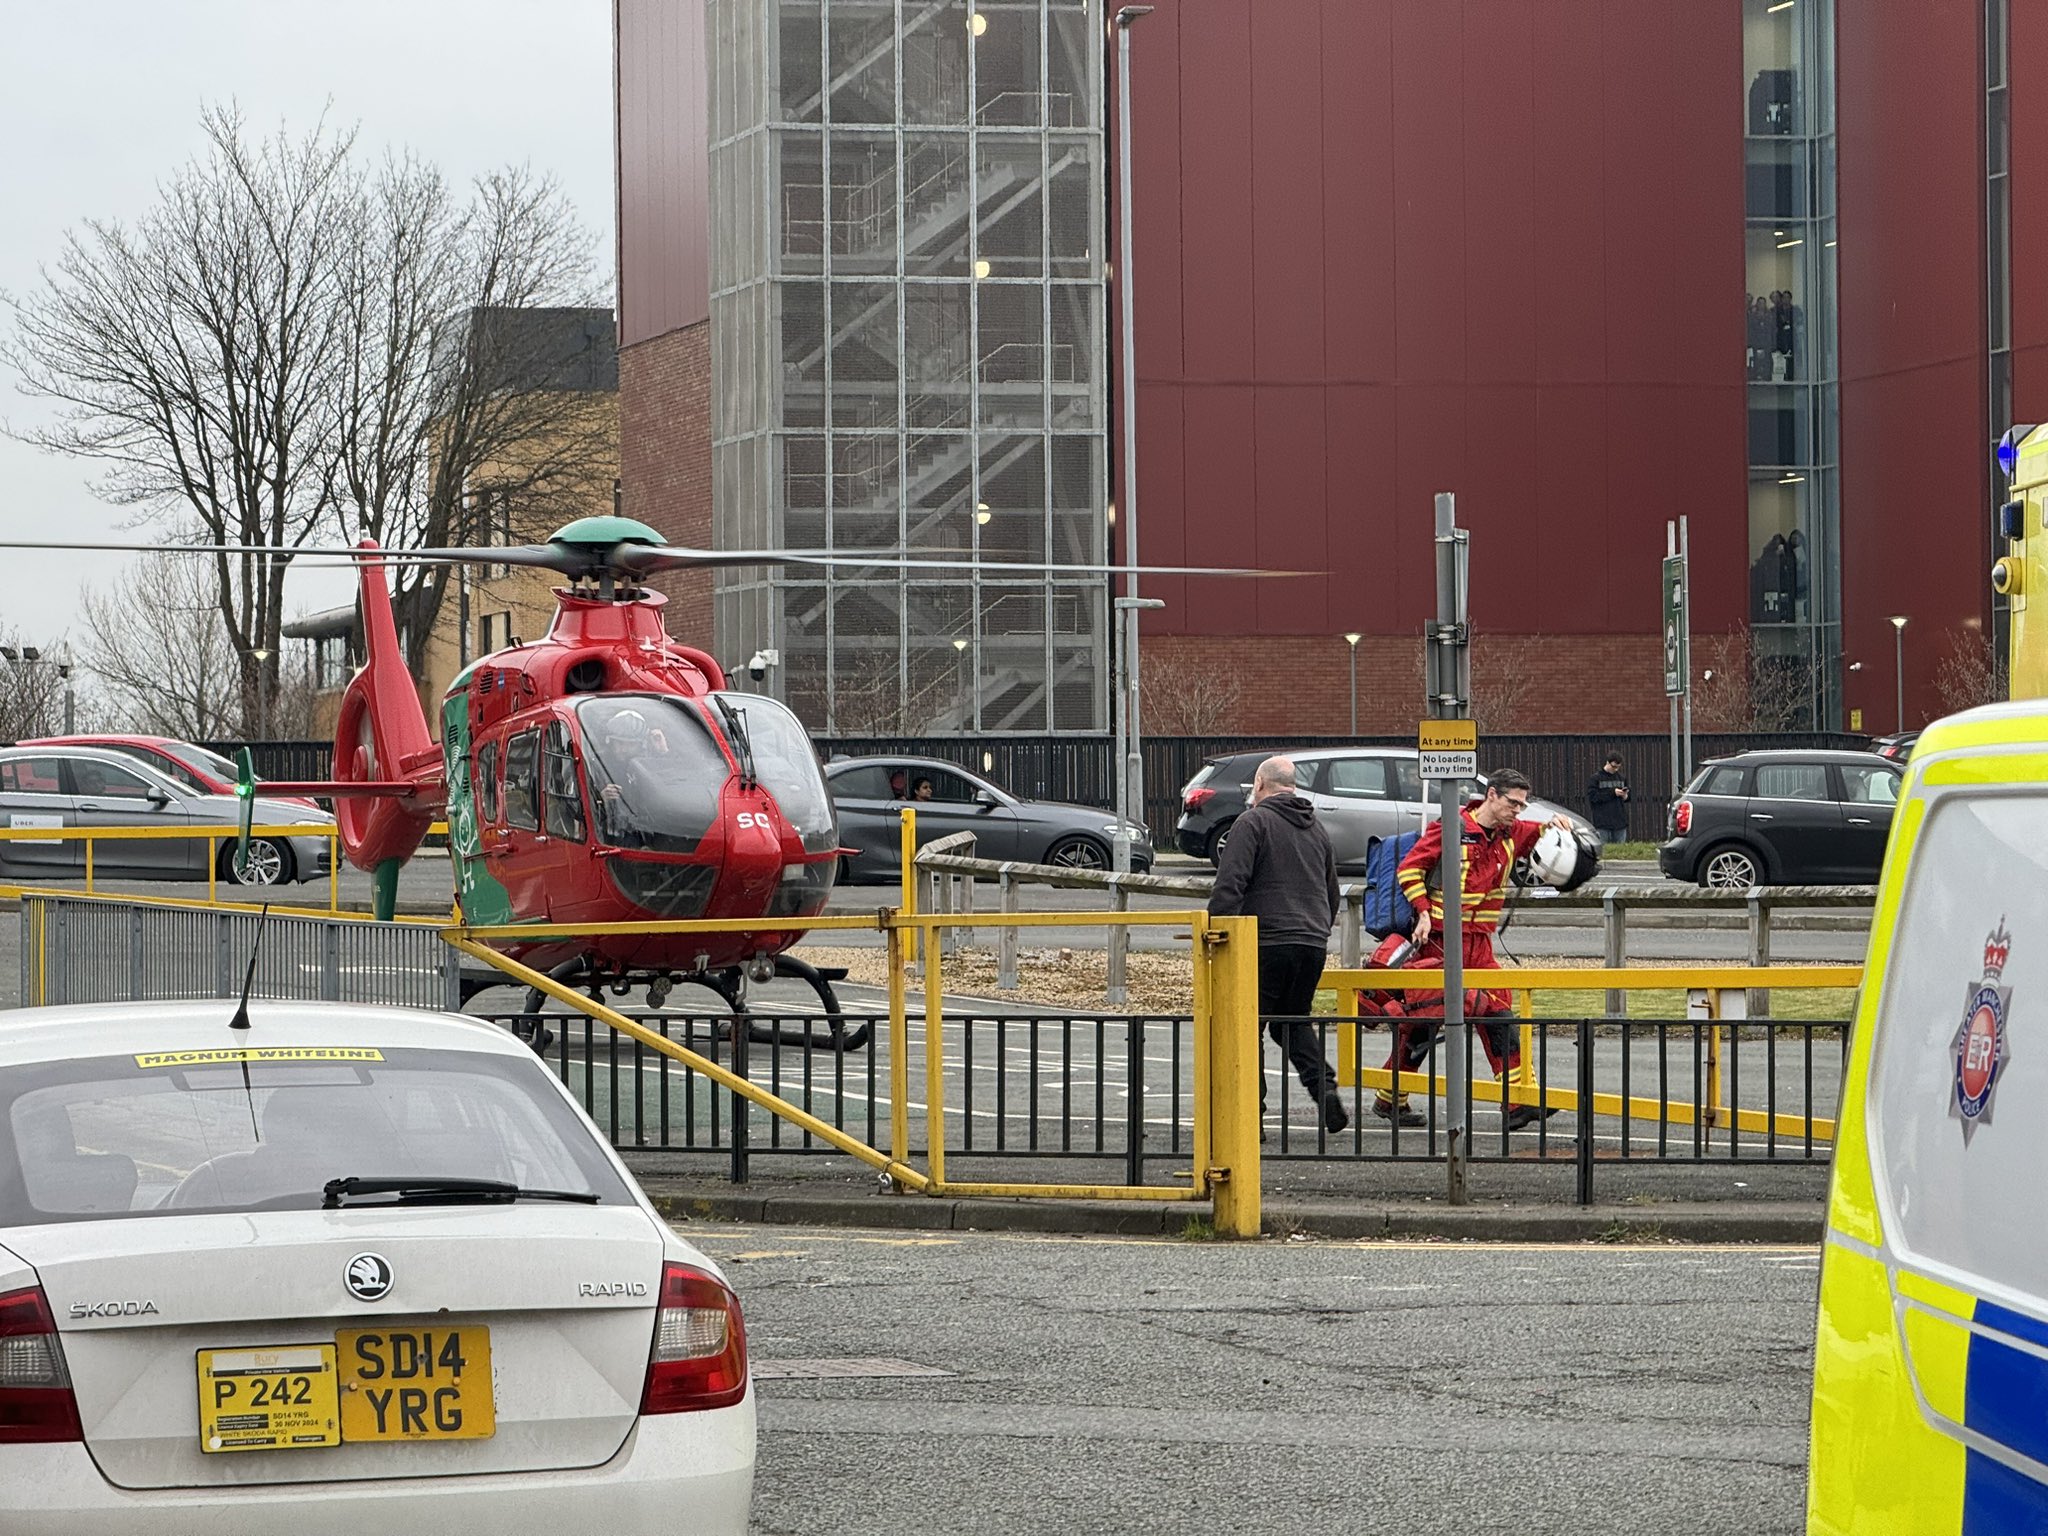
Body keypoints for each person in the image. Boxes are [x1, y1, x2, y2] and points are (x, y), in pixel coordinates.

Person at [1375, 769, 1574, 1131]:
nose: (1519, 810)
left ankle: (1518, 1101)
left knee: (1496, 1010)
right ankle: (1390, 1098)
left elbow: (1545, 835)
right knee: (1423, 1021)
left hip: (1479, 944)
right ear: (1492, 796)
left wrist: (1556, 823)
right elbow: (1409, 870)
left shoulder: (1513, 833)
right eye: (1513, 803)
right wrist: (1421, 912)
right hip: (1438, 941)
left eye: (1523, 805)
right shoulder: (1450, 829)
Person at [1206, 756, 1347, 1134]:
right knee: (1292, 1022)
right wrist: (1318, 929)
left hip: (1265, 940)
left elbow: (1230, 884)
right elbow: (1331, 892)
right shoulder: (1316, 829)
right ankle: (1325, 1090)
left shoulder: (1252, 822)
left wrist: (1217, 934)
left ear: (1259, 784)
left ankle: (1250, 1116)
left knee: (1247, 1025)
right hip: (1311, 941)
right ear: (1293, 787)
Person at [1586, 753, 1631, 846]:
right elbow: (1593, 797)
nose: (1616, 770)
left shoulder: (1621, 778)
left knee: (1620, 851)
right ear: (1607, 762)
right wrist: (1612, 793)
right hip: (1603, 822)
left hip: (1620, 822)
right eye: (1614, 766)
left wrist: (1625, 796)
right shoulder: (1596, 778)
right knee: (1603, 851)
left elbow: (1628, 798)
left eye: (1618, 767)